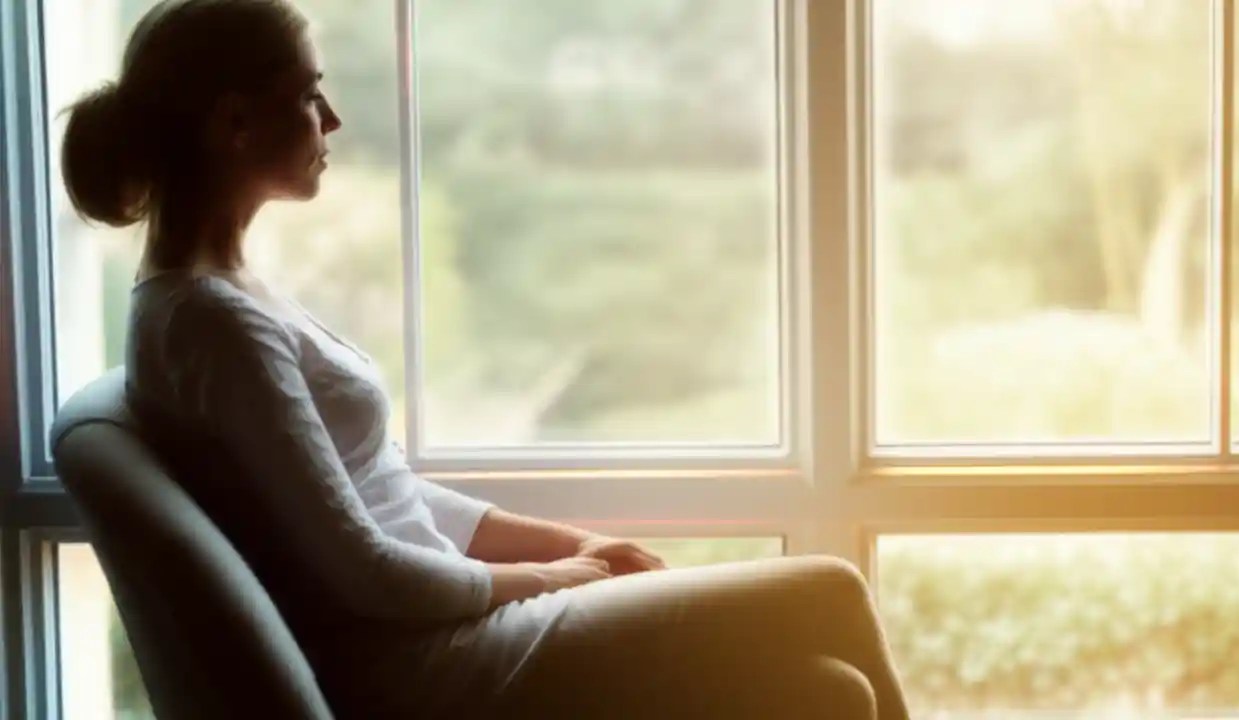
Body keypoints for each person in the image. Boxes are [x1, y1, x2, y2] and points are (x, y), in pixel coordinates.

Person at [60, 1, 912, 717]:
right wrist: (554, 577)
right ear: (233, 123)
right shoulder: (212, 323)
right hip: (420, 663)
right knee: (830, 591)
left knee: (825, 693)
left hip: (435, 624)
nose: (332, 121)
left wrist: (573, 541)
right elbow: (369, 572)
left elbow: (374, 487)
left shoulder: (223, 294)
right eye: (309, 94)